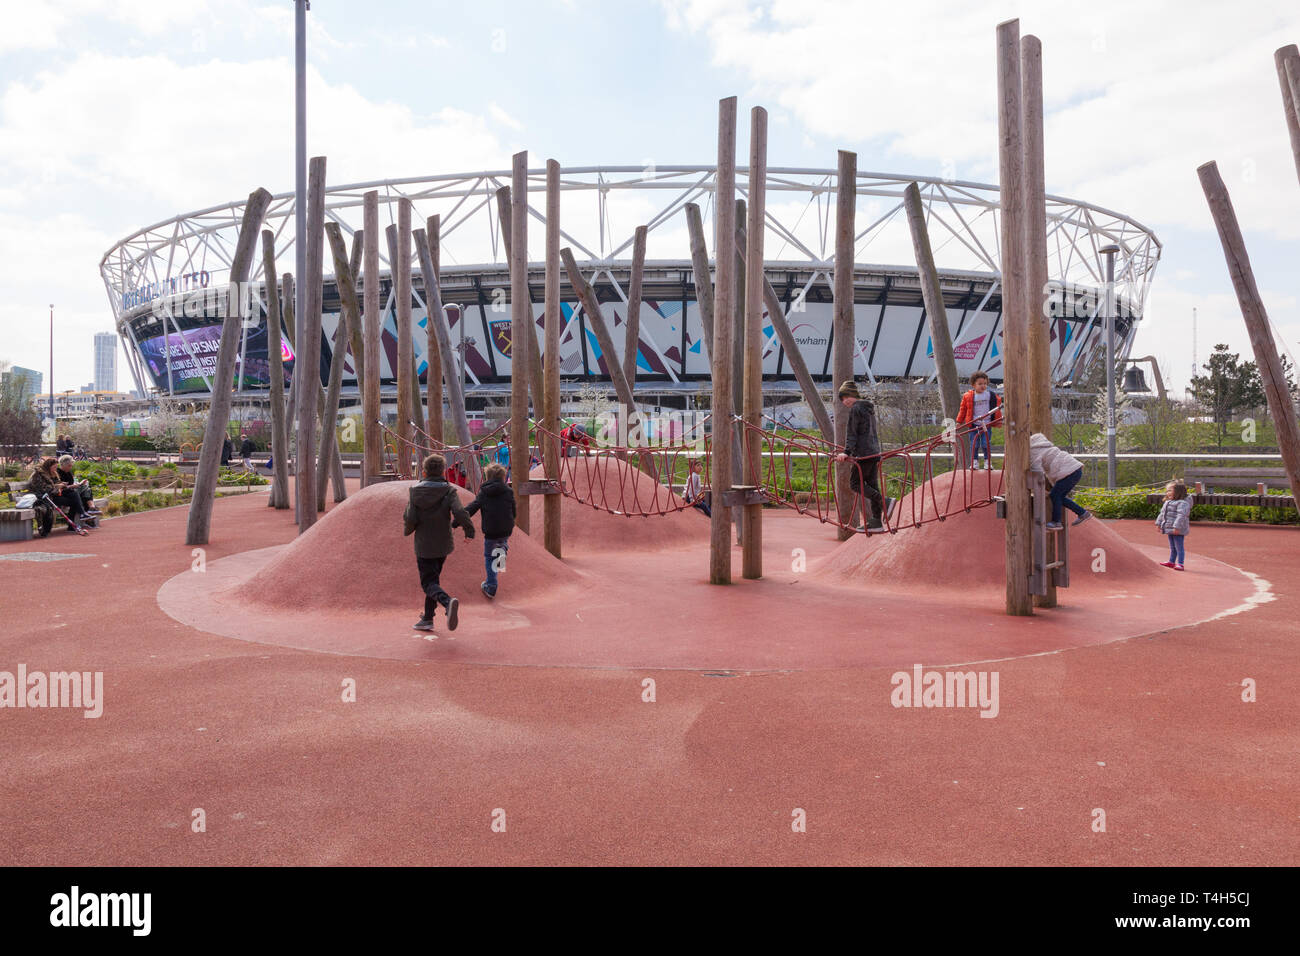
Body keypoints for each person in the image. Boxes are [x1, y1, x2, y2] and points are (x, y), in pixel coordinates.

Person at [403, 453, 475, 633]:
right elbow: (460, 512)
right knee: (433, 580)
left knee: (428, 583)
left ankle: (447, 602)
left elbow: (411, 517)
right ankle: (427, 618)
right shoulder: (449, 491)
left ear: (425, 471)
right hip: (443, 543)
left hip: (423, 543)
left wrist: (408, 528)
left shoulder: (415, 491)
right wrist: (469, 530)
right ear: (442, 470)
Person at [833, 381, 894, 531]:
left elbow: (852, 433)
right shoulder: (868, 409)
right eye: (842, 399)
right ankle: (876, 521)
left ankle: (884, 501)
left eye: (845, 397)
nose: (844, 401)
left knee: (854, 483)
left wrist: (846, 452)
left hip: (864, 454)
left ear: (853, 395)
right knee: (872, 485)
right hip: (874, 452)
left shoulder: (856, 409)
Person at [464, 462, 517, 599]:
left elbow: (473, 507)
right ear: (503, 477)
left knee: (489, 557)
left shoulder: (484, 493)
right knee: (500, 545)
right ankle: (501, 553)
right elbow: (513, 509)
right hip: (505, 529)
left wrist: (459, 519)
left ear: (487, 477)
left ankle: (491, 586)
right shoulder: (508, 491)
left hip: (491, 531)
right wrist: (512, 520)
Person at [1027, 432, 1092, 530]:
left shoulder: (1033, 451)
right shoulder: (1045, 446)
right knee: (1059, 497)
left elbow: (1037, 469)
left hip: (1068, 472)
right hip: (1075, 470)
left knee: (1055, 495)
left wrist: (1037, 486)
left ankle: (1056, 522)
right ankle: (1082, 513)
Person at [28, 457, 92, 533]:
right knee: (75, 501)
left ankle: (77, 520)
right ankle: (78, 518)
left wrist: (62, 485)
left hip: (55, 494)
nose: (55, 469)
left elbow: (57, 483)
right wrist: (57, 486)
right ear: (48, 466)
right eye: (54, 467)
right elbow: (40, 488)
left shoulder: (53, 473)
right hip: (46, 498)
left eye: (56, 467)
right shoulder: (38, 474)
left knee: (74, 495)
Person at [956, 371, 1002, 470]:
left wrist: (997, 420)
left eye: (985, 384)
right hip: (974, 425)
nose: (983, 386)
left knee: (986, 444)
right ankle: (974, 462)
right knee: (974, 444)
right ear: (973, 385)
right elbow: (963, 409)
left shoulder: (990, 395)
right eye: (980, 384)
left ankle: (987, 461)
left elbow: (997, 405)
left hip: (986, 424)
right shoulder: (968, 396)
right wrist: (959, 421)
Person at [1155, 479, 1191, 571]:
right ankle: (1171, 561)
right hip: (1169, 528)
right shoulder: (1167, 502)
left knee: (1179, 547)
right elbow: (1162, 514)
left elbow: (1181, 516)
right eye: (1167, 491)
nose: (1167, 493)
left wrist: (1176, 527)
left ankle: (1180, 563)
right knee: (1172, 546)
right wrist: (1158, 523)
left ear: (1178, 492)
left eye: (1170, 490)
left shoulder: (1182, 503)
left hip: (1177, 529)